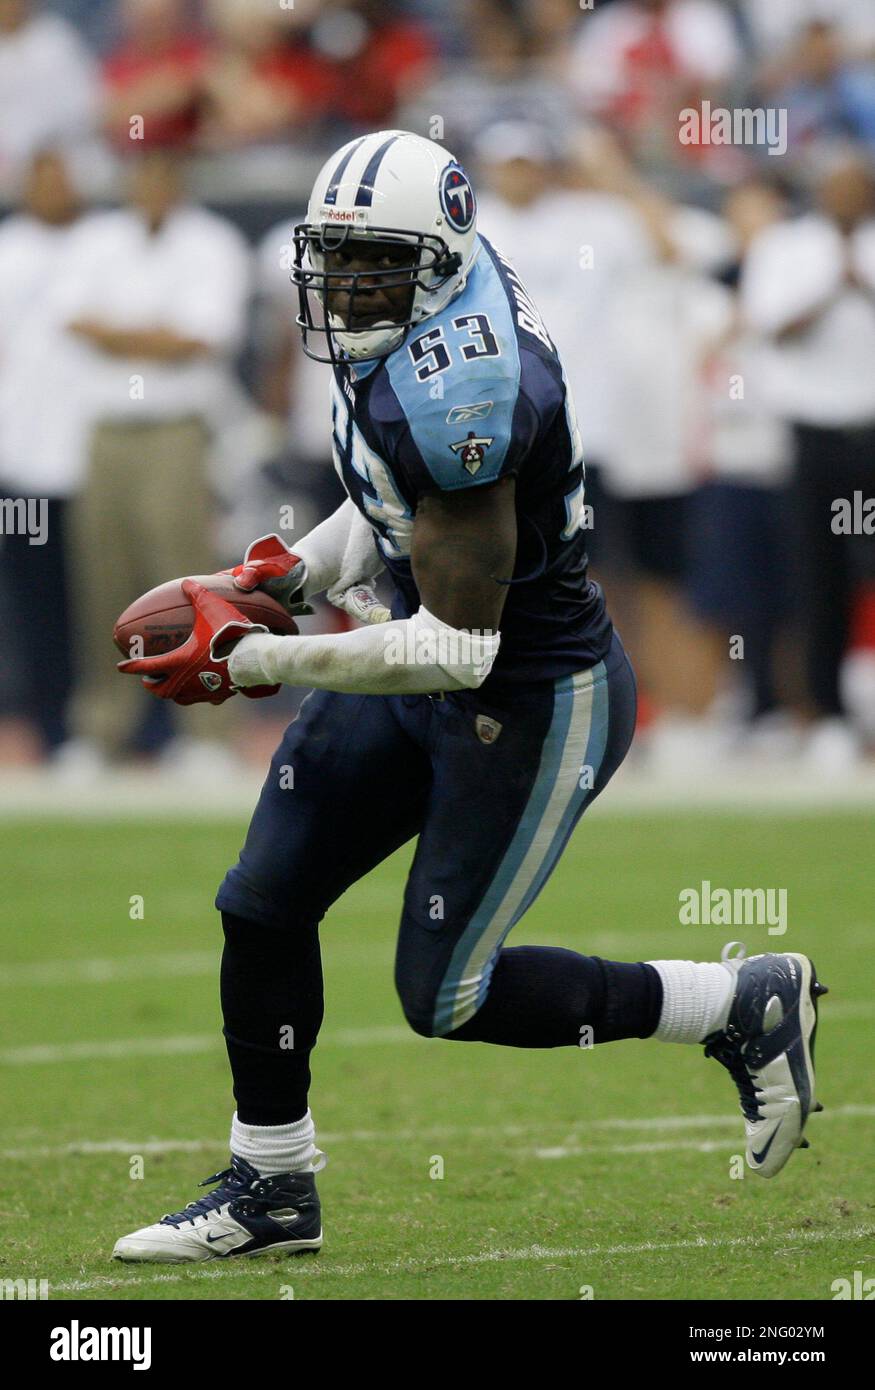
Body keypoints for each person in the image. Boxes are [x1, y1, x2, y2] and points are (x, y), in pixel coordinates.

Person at [112, 131, 826, 1262]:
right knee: (260, 901)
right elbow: (392, 503)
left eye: (372, 264)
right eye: (334, 259)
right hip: (418, 647)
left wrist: (264, 658)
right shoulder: (425, 297)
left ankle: (732, 1000)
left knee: (444, 995)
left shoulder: (468, 391)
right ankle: (272, 1187)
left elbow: (453, 643)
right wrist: (290, 578)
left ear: (436, 262)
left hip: (527, 696)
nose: (347, 286)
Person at [57, 147, 251, 771]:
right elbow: (76, 324)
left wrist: (122, 336)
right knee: (104, 580)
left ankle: (207, 735)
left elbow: (201, 339)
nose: (152, 184)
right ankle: (100, 730)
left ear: (180, 178)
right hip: (107, 432)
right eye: (142, 172)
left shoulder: (212, 242)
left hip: (177, 431)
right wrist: (154, 336)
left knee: (186, 582)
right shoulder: (95, 238)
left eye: (163, 171)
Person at [741, 150, 875, 771]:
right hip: (815, 434)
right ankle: (828, 715)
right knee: (818, 577)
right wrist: (832, 289)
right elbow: (769, 325)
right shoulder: (788, 247)